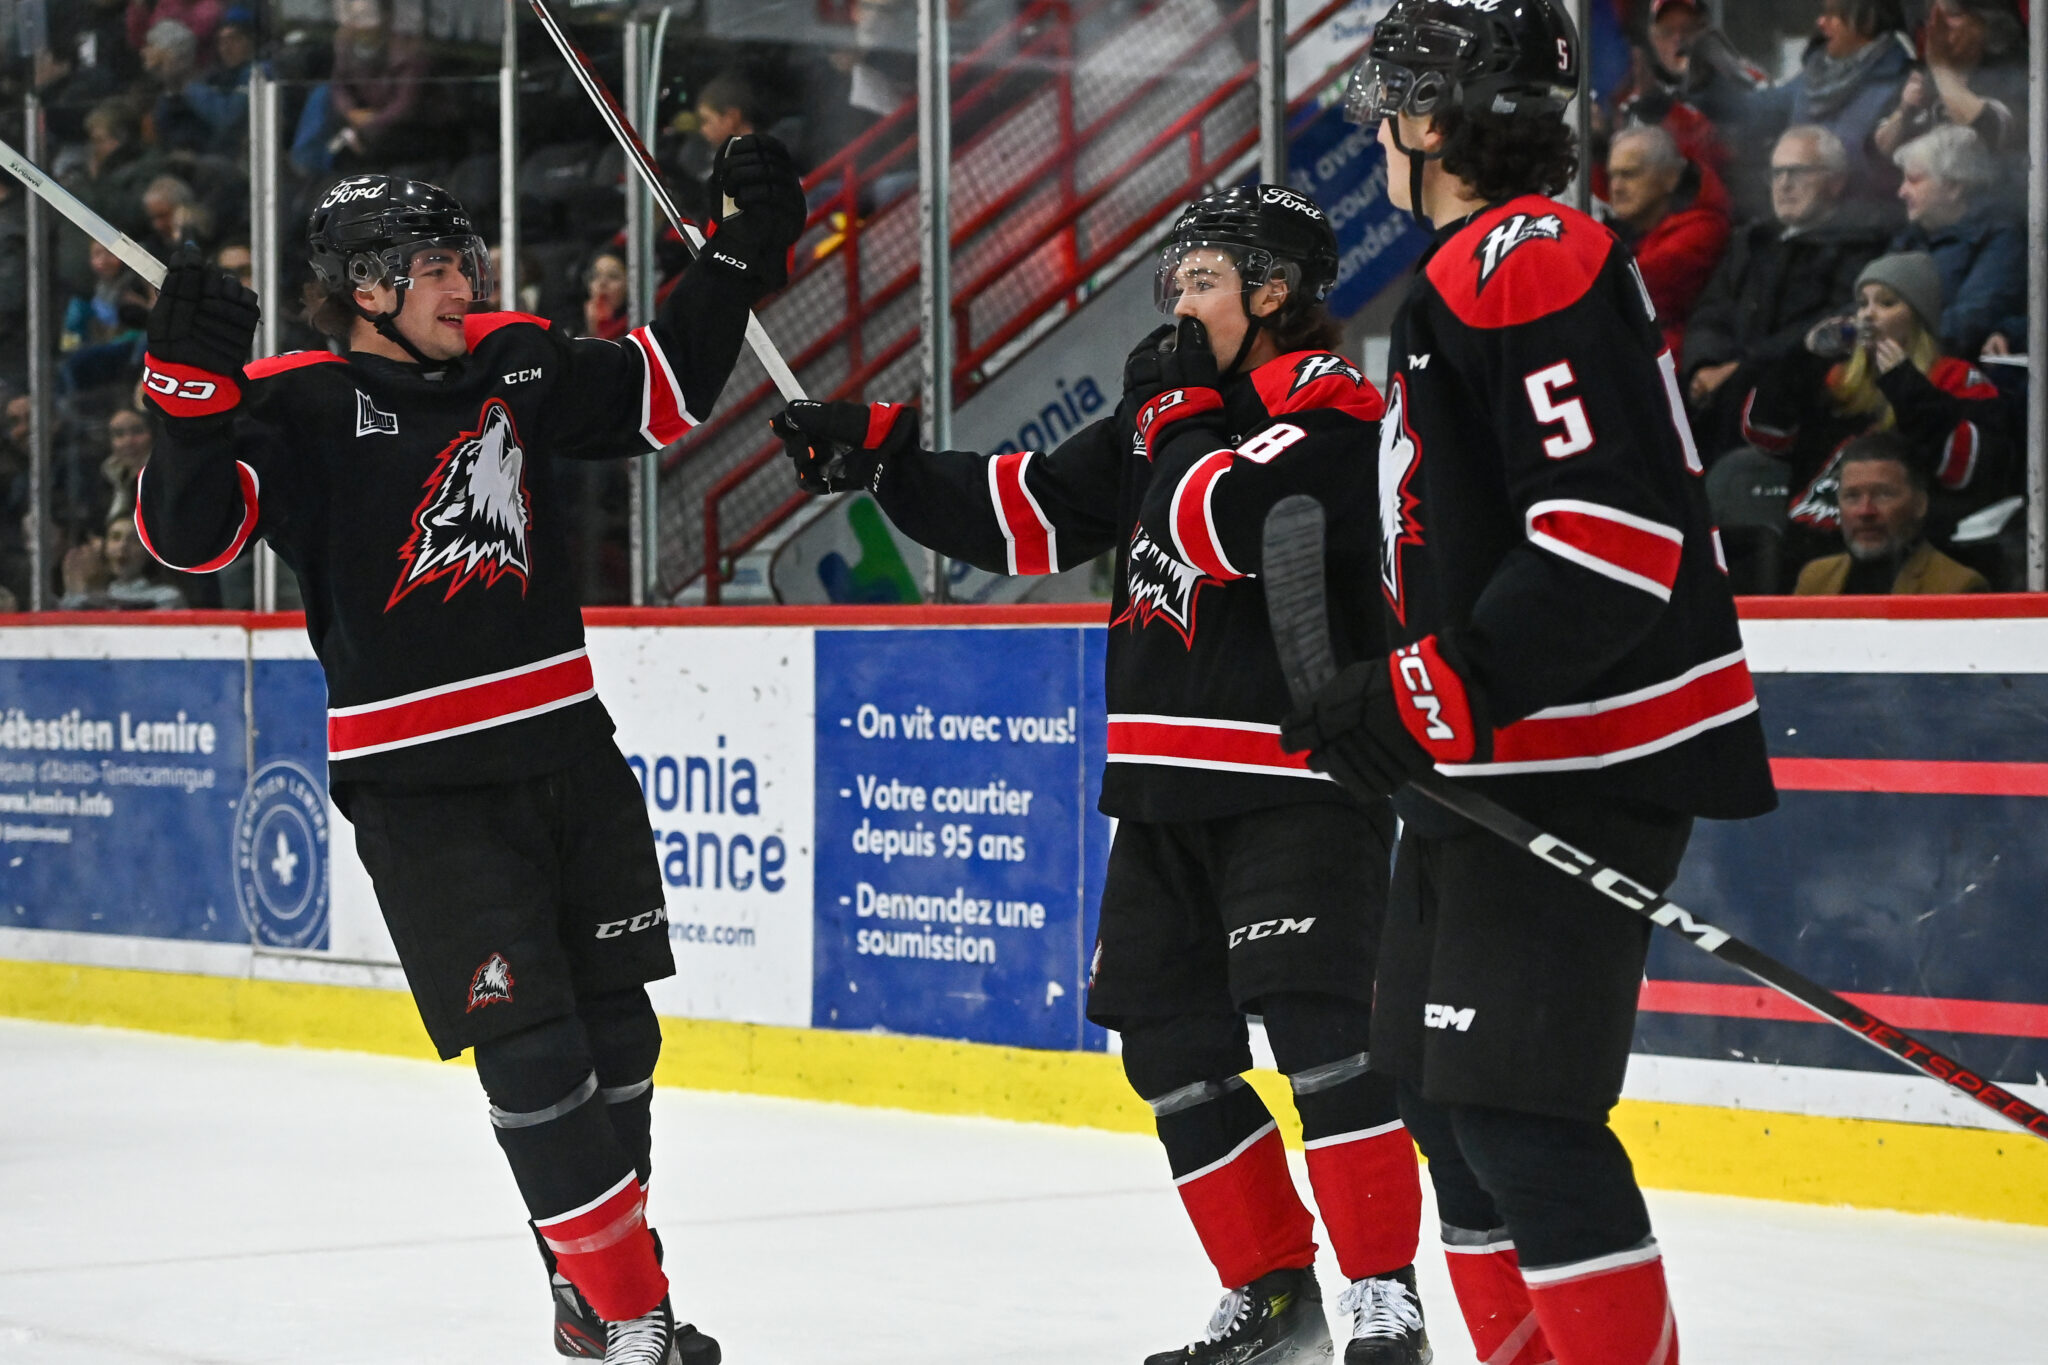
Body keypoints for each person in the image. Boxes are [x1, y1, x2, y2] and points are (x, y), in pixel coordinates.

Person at [133, 137, 806, 1364]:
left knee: (618, 1045)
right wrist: (184, 397)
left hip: (567, 752)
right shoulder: (293, 399)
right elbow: (191, 540)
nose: (464, 284)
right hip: (424, 787)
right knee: (535, 1051)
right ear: (369, 286)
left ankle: (588, 1292)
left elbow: (663, 389)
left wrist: (739, 250)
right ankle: (635, 1314)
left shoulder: (516, 364)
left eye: (464, 260)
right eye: (436, 266)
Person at [772, 186, 1433, 1365]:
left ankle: (1384, 1291)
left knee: (1322, 1036)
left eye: (1200, 282)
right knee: (1170, 1051)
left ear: (1271, 293)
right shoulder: (1159, 418)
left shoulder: (1335, 416)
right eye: (1171, 283)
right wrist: (881, 462)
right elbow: (1023, 518)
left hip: (1295, 784)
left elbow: (1220, 524)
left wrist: (1168, 412)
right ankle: (1273, 1292)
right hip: (1160, 796)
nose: (1173, 306)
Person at [1288, 4, 1779, 1364]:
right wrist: (1404, 685)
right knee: (1444, 1103)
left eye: (1398, 96)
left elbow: (1606, 544)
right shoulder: (1469, 270)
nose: (1377, 122)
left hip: (1580, 752)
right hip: (1497, 758)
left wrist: (1428, 690)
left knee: (1517, 1114)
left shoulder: (1525, 252)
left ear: (1440, 121)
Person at [1736, 251, 2012, 579]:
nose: (1868, 315)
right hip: (1809, 548)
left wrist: (1903, 383)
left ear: (1918, 317)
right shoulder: (1836, 380)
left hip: (1903, 558)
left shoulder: (1955, 379)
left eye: (1886, 303)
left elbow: (1964, 467)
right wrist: (1803, 357)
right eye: (1863, 303)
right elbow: (1764, 433)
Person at [1681, 125, 1890, 458]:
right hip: (1717, 388)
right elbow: (1711, 311)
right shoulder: (1750, 241)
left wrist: (1740, 369)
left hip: (1789, 409)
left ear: (1835, 182)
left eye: (1798, 172)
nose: (1784, 184)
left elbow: (1828, 325)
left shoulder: (1858, 246)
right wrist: (1703, 365)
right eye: (1776, 173)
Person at [1752, 0, 1914, 208]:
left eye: (1832, 14)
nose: (1820, 22)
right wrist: (1710, 72)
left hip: (1866, 227)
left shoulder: (1902, 87)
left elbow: (1881, 171)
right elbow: (1753, 110)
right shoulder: (1813, 76)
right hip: (1807, 218)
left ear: (1866, 21)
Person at [1793, 431, 1989, 593]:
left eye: (1883, 495)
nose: (1865, 511)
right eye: (1852, 496)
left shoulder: (1956, 586)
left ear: (1920, 503)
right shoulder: (1815, 580)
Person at [1887, 125, 2024, 357]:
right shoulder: (1910, 236)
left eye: (1913, 180)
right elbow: (1874, 294)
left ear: (1953, 187)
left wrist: (1894, 336)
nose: (1901, 192)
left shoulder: (2000, 237)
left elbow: (1972, 319)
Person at [1603, 123, 1729, 356]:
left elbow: (1633, 287)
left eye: (1629, 174)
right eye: (1612, 175)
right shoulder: (1627, 229)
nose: (1616, 187)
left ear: (1670, 177)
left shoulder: (1702, 230)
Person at [59, 512, 189, 610]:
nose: (123, 546)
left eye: (134, 540)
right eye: (115, 538)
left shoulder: (167, 597)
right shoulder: (88, 595)